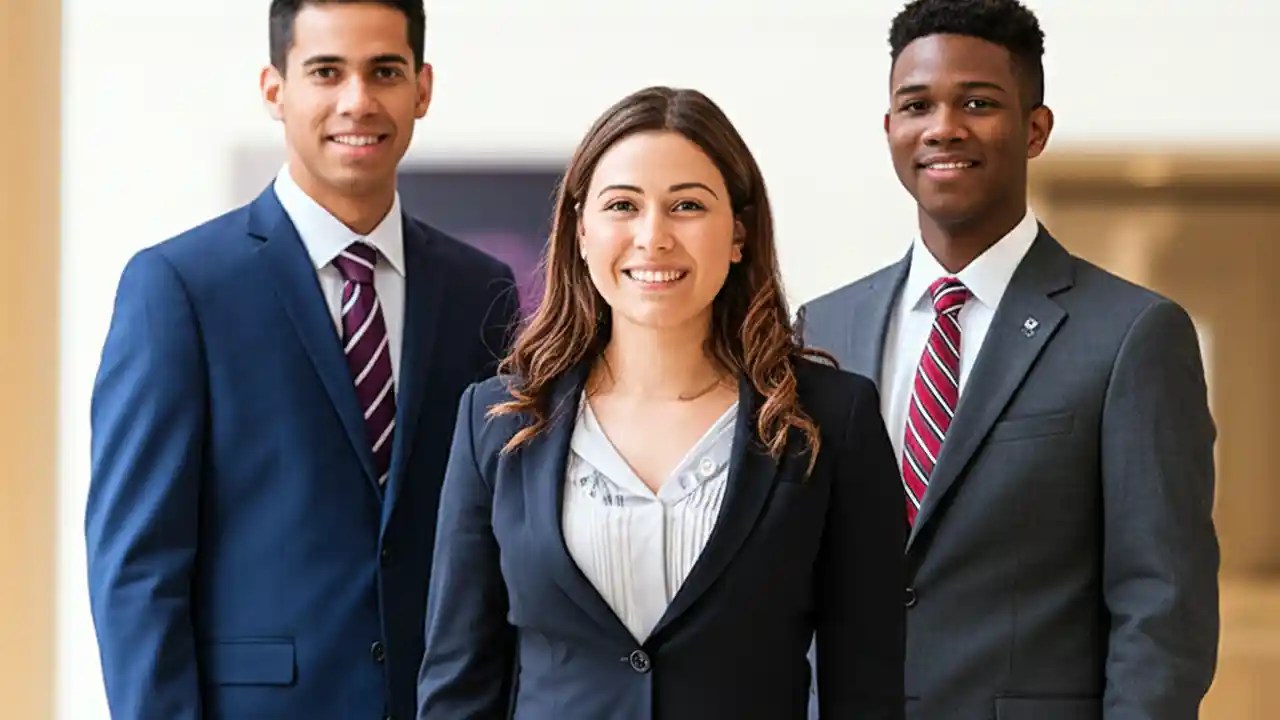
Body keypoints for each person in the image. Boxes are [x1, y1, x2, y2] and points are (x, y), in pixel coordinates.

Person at [85, 1, 519, 718]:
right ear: (274, 89)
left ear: (423, 88)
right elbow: (136, 571)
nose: (358, 100)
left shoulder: (481, 290)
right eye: (326, 71)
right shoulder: (179, 289)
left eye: (385, 71)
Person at [416, 86, 906, 719]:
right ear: (581, 231)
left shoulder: (829, 419)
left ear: (738, 233)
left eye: (687, 206)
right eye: (623, 205)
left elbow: (864, 690)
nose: (653, 236)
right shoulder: (499, 423)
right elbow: (459, 686)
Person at [798, 1, 1220, 718]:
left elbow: (1164, 610)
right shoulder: (822, 328)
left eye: (978, 102)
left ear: (1035, 128)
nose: (943, 127)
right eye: (916, 104)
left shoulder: (1135, 335)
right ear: (890, 128)